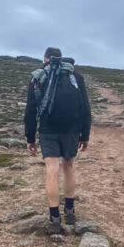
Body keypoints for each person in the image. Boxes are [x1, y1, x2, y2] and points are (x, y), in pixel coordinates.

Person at [24, 46, 92, 234]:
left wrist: (30, 137)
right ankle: (70, 210)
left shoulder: (38, 76)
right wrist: (85, 135)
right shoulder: (76, 77)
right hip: (71, 130)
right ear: (62, 59)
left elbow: (30, 110)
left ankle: (54, 218)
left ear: (45, 58)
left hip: (47, 130)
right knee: (69, 166)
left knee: (51, 170)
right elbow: (85, 107)